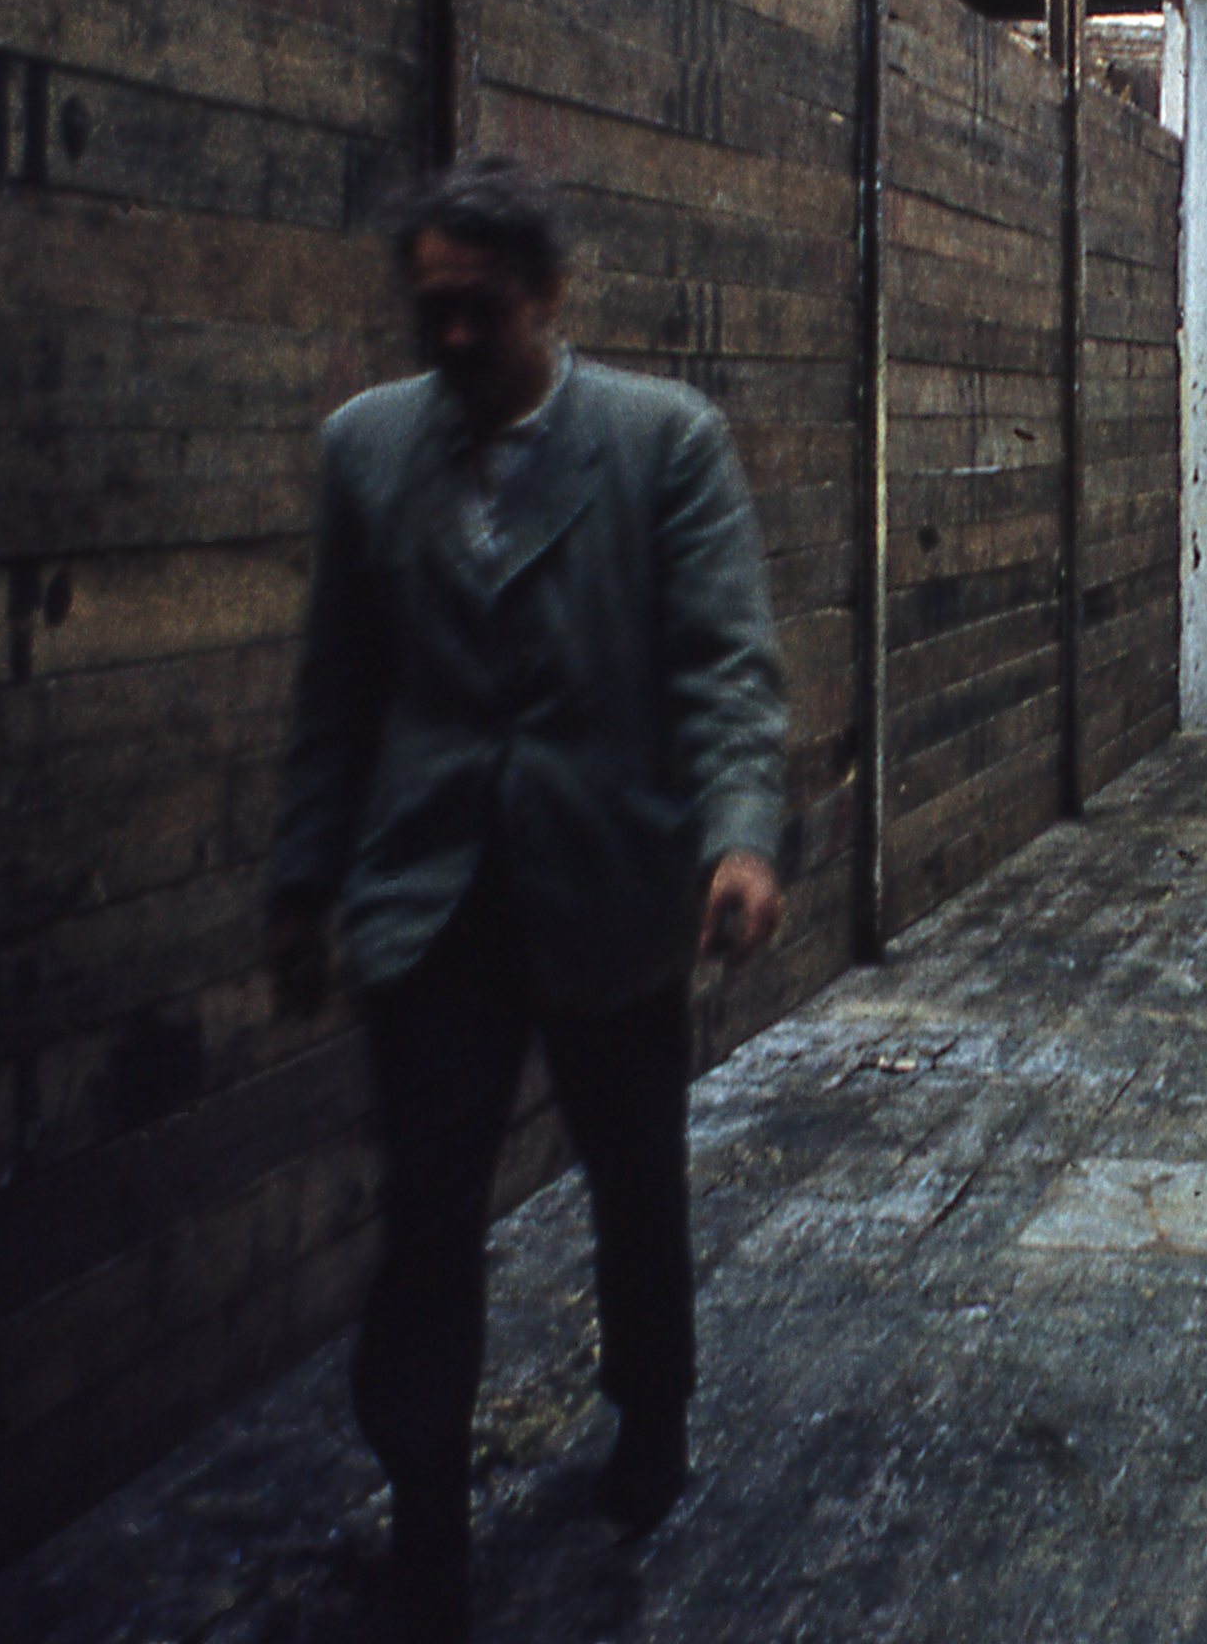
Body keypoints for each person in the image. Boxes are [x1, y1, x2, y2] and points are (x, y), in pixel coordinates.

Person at [264, 156, 788, 1644]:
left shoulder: (660, 443)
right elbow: (334, 693)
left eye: (477, 311)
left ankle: (651, 1417)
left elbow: (724, 664)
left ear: (548, 299)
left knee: (635, 1176)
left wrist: (741, 838)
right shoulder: (368, 451)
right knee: (429, 1216)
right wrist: (304, 884)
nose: (447, 340)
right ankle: (426, 1506)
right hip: (429, 903)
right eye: (427, 309)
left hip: (610, 881)